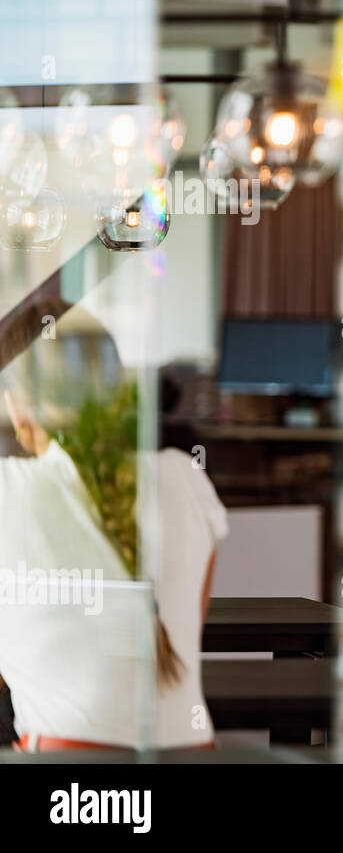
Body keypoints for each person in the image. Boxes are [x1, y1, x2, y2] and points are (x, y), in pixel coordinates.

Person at [0, 305, 228, 751]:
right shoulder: (185, 477)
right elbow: (184, 620)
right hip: (194, 760)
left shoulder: (8, 487)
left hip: (73, 791)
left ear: (15, 404)